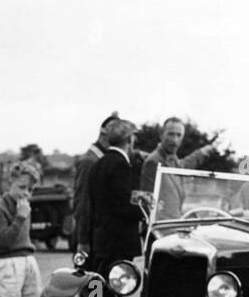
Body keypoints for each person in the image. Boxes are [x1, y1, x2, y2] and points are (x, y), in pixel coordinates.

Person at [0, 159, 43, 297]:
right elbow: (5, 240)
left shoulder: (24, 206)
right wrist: (19, 217)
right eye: (22, 187)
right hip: (8, 262)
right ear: (10, 182)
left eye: (30, 190)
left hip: (27, 260)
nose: (26, 193)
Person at [86, 117, 140, 276]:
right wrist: (144, 210)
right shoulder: (121, 165)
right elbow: (122, 205)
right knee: (115, 288)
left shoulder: (98, 164)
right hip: (118, 242)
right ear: (129, 139)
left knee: (97, 282)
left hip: (100, 239)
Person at [138, 117, 217, 219]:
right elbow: (147, 204)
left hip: (174, 225)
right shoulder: (153, 162)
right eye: (171, 134)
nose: (175, 140)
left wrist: (203, 152)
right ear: (161, 135)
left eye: (178, 135)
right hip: (160, 228)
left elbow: (184, 165)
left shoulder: (173, 159)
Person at [72, 113, 118, 258]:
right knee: (92, 279)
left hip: (101, 237)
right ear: (105, 133)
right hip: (90, 238)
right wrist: (83, 240)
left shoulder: (103, 159)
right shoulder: (90, 162)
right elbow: (82, 202)